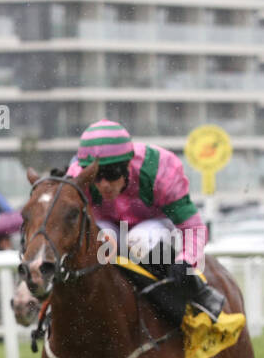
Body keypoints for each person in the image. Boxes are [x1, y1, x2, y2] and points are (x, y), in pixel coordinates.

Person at [65, 118, 222, 320]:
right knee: (99, 243)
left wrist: (186, 261)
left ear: (127, 166)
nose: (103, 185)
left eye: (111, 174)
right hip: (107, 226)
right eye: (96, 176)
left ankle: (195, 294)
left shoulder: (159, 169)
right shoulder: (77, 178)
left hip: (153, 225)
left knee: (138, 240)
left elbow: (193, 227)